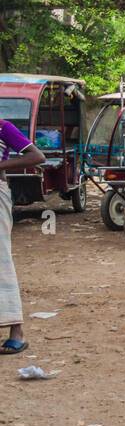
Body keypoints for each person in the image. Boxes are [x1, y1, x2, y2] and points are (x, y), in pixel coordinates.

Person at [0, 119, 45, 354]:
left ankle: (16, 330)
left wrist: (2, 164)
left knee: (1, 261)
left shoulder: (3, 128)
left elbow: (37, 157)